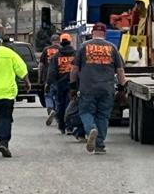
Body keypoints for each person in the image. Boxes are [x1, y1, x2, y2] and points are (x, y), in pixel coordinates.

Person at [70, 22, 126, 154]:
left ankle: (91, 130)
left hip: (87, 88)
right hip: (107, 88)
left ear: (92, 33)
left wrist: (72, 86)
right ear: (104, 34)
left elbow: (74, 69)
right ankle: (99, 145)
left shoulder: (84, 47)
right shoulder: (112, 48)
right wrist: (122, 88)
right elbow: (120, 70)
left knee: (85, 112)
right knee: (103, 116)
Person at [45, 34, 76, 134]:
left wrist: (48, 83)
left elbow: (52, 72)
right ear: (70, 42)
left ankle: (62, 126)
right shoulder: (76, 54)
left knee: (61, 105)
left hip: (60, 84)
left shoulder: (56, 56)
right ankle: (70, 127)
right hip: (74, 84)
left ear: (61, 43)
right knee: (72, 105)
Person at [39, 33, 62, 125]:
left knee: (48, 95)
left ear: (51, 41)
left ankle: (50, 108)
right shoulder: (61, 50)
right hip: (60, 77)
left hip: (48, 77)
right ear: (59, 41)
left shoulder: (46, 50)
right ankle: (56, 111)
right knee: (57, 96)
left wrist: (40, 77)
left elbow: (41, 65)